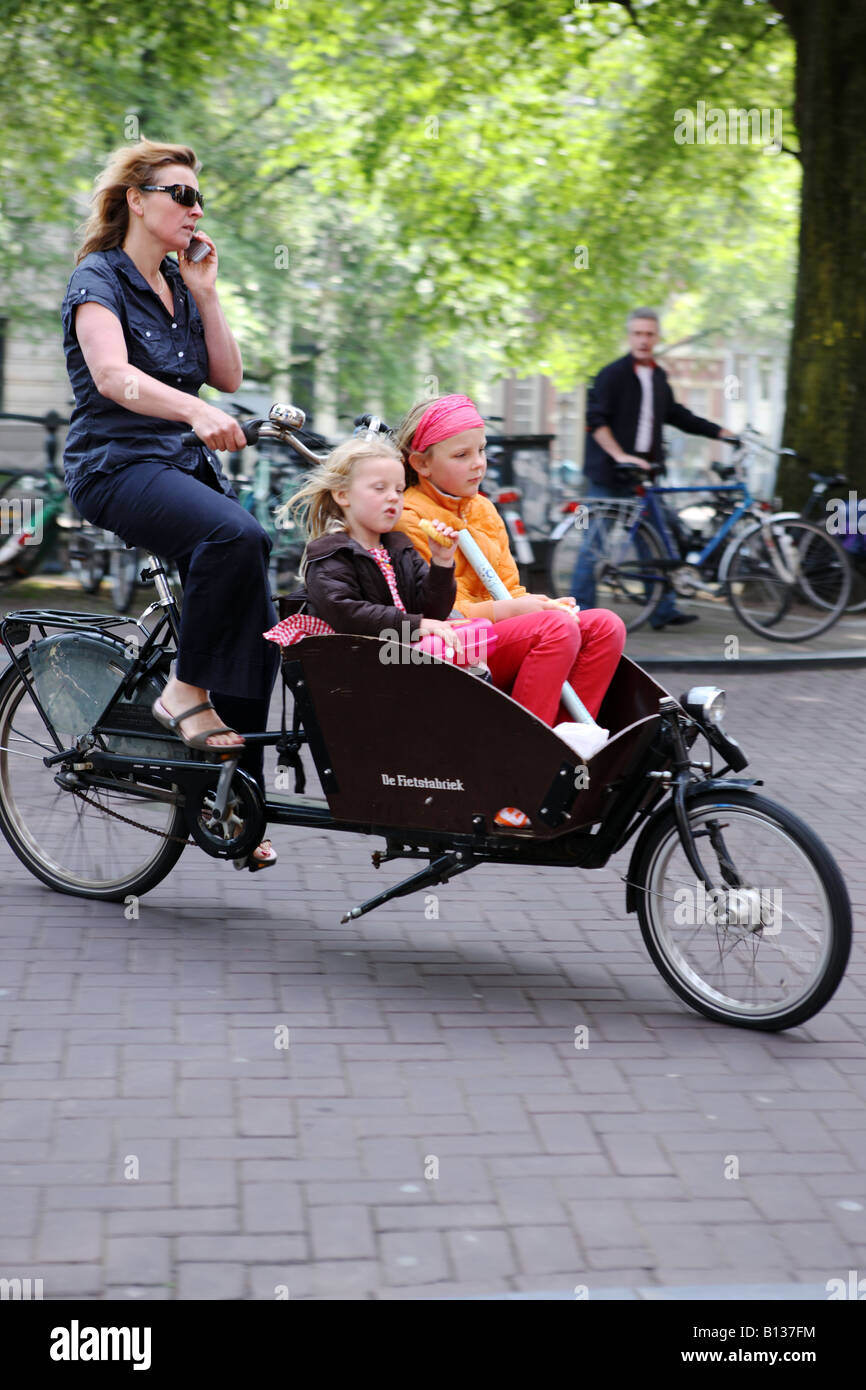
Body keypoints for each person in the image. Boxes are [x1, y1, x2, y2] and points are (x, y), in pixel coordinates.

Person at [60, 138, 279, 871]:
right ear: (137, 200)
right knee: (235, 537)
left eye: (198, 198)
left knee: (262, 614)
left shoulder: (180, 288)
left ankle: (232, 801)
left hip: (175, 468)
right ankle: (181, 690)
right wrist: (191, 413)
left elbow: (225, 371)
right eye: (181, 194)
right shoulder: (98, 279)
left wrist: (209, 292)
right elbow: (115, 378)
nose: (195, 208)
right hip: (115, 466)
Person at [392, 393, 626, 756]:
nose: (478, 464)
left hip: (495, 634)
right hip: (454, 649)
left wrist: (541, 604)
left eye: (482, 451)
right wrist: (521, 612)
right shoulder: (409, 517)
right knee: (556, 628)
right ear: (421, 463)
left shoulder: (483, 508)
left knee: (604, 625)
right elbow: (439, 612)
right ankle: (522, 756)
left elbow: (507, 589)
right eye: (461, 455)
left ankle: (567, 745)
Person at [573, 308, 738, 628]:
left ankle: (662, 611)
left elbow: (677, 415)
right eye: (637, 333)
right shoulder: (611, 375)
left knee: (656, 543)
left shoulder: (659, 377)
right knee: (594, 546)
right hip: (610, 475)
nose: (643, 340)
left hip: (642, 476)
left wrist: (720, 432)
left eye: (649, 334)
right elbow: (596, 422)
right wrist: (621, 455)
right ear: (629, 336)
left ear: (657, 337)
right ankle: (581, 616)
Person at [284, 436, 460, 645]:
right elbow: (348, 616)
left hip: (401, 656)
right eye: (379, 488)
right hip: (358, 664)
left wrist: (441, 563)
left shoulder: (401, 548)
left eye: (398, 489)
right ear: (343, 495)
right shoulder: (331, 554)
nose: (394, 497)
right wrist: (414, 626)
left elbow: (433, 612)